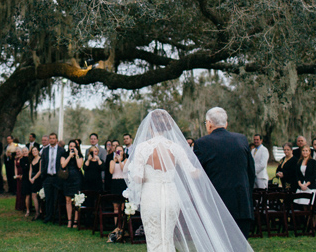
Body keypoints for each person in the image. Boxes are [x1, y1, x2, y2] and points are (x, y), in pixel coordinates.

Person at [124, 110, 252, 252]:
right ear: (167, 126)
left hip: (151, 196)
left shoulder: (143, 148)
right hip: (171, 197)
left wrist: (138, 177)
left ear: (149, 126)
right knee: (167, 238)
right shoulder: (175, 147)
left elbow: (137, 178)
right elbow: (193, 173)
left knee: (154, 238)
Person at [193, 107, 256, 239]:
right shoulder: (242, 139)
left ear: (209, 123)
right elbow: (251, 171)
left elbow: (197, 176)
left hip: (216, 205)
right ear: (226, 124)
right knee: (239, 245)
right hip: (241, 203)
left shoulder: (201, 144)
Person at [41, 132, 66, 224]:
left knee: (56, 198)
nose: (52, 140)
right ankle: (48, 216)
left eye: (53, 138)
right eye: (50, 138)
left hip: (57, 177)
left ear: (56, 139)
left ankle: (56, 217)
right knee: (48, 198)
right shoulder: (45, 150)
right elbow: (43, 163)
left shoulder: (61, 150)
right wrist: (43, 175)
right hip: (48, 177)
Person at [60, 139, 84, 228]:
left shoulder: (79, 155)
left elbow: (79, 165)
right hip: (67, 178)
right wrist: (70, 156)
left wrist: (76, 155)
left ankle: (76, 220)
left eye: (74, 146)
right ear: (68, 147)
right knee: (68, 200)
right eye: (71, 146)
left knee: (77, 200)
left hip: (77, 179)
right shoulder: (65, 155)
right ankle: (69, 220)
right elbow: (63, 165)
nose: (72, 148)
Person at [109, 144, 128, 225]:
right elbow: (111, 171)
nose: (119, 152)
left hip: (122, 182)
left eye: (120, 150)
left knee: (122, 206)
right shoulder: (112, 161)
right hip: (115, 183)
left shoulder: (125, 160)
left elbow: (124, 170)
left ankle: (122, 225)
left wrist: (120, 161)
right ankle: (115, 224)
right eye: (117, 151)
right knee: (115, 206)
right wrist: (115, 160)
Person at [27, 145, 43, 220]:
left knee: (37, 196)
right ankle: (37, 212)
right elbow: (30, 170)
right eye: (33, 151)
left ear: (38, 151)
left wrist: (34, 178)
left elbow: (40, 171)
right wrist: (30, 178)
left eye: (35, 150)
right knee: (33, 195)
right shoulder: (32, 160)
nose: (34, 152)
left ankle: (39, 212)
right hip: (32, 180)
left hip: (38, 179)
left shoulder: (40, 160)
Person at [14, 147, 27, 213]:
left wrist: (22, 175)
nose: (18, 153)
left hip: (23, 176)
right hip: (18, 177)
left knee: (23, 190)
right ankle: (18, 205)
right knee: (18, 190)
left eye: (19, 152)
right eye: (16, 152)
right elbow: (15, 167)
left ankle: (24, 205)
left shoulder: (23, 159)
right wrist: (16, 175)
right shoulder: (16, 159)